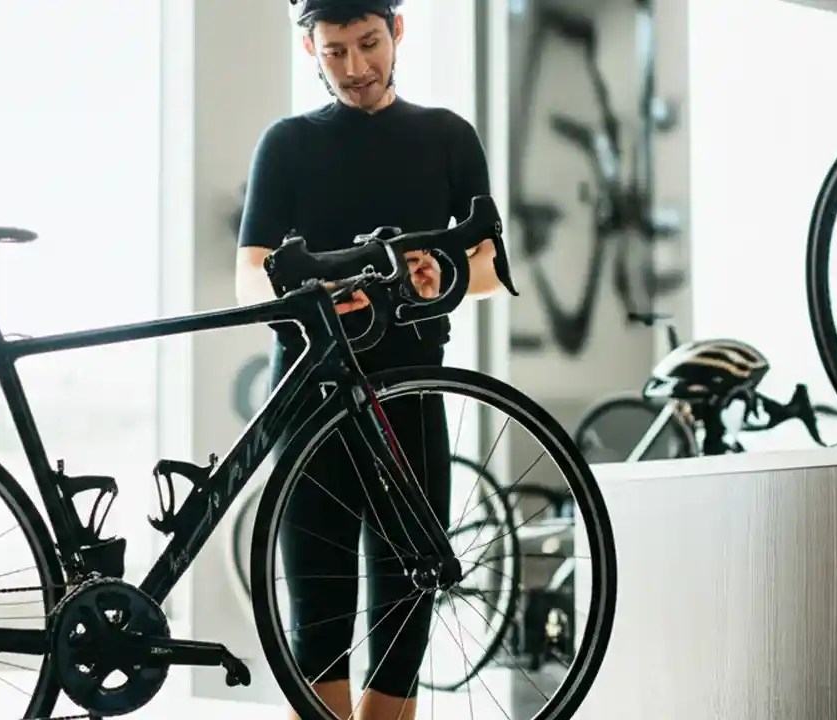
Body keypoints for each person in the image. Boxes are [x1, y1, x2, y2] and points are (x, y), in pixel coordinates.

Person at [234, 1, 506, 718]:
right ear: (308, 49)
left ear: (397, 32)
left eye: (369, 44)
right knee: (317, 618)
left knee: (403, 618)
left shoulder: (446, 136)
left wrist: (438, 275)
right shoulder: (287, 143)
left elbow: (490, 267)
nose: (356, 68)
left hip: (411, 391)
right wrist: (313, 295)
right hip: (310, 397)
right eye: (335, 52)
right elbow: (249, 274)